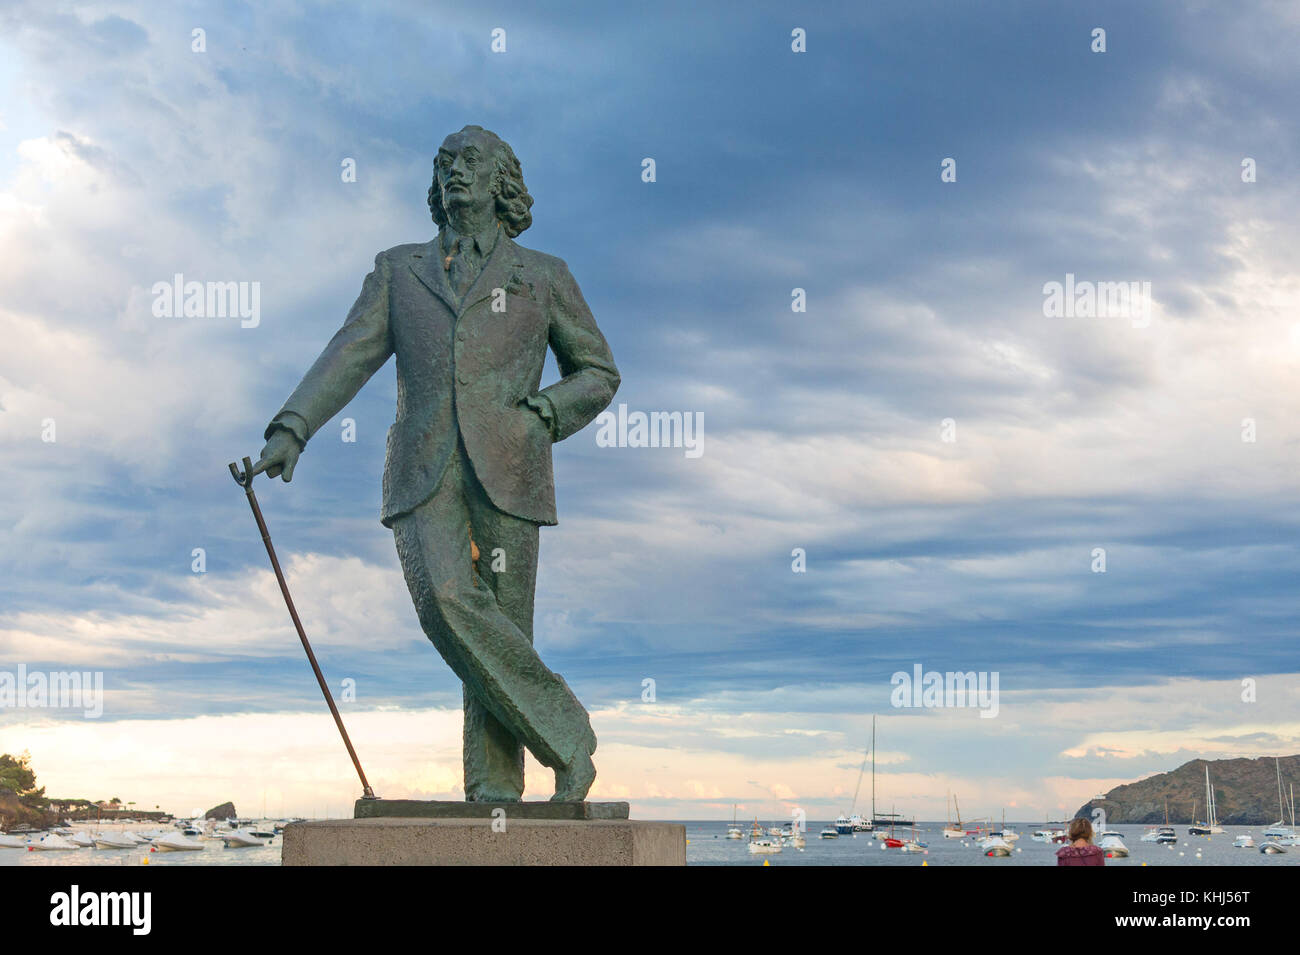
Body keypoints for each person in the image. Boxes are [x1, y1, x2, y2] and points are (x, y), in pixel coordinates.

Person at [252, 125, 619, 802]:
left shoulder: (543, 276)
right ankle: (568, 736)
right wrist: (293, 428)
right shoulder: (399, 270)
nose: (455, 171)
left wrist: (545, 413)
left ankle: (496, 794)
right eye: (444, 163)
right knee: (446, 602)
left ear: (501, 180)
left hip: (513, 466)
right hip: (424, 468)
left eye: (470, 162)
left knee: (504, 630)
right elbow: (349, 352)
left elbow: (598, 370)